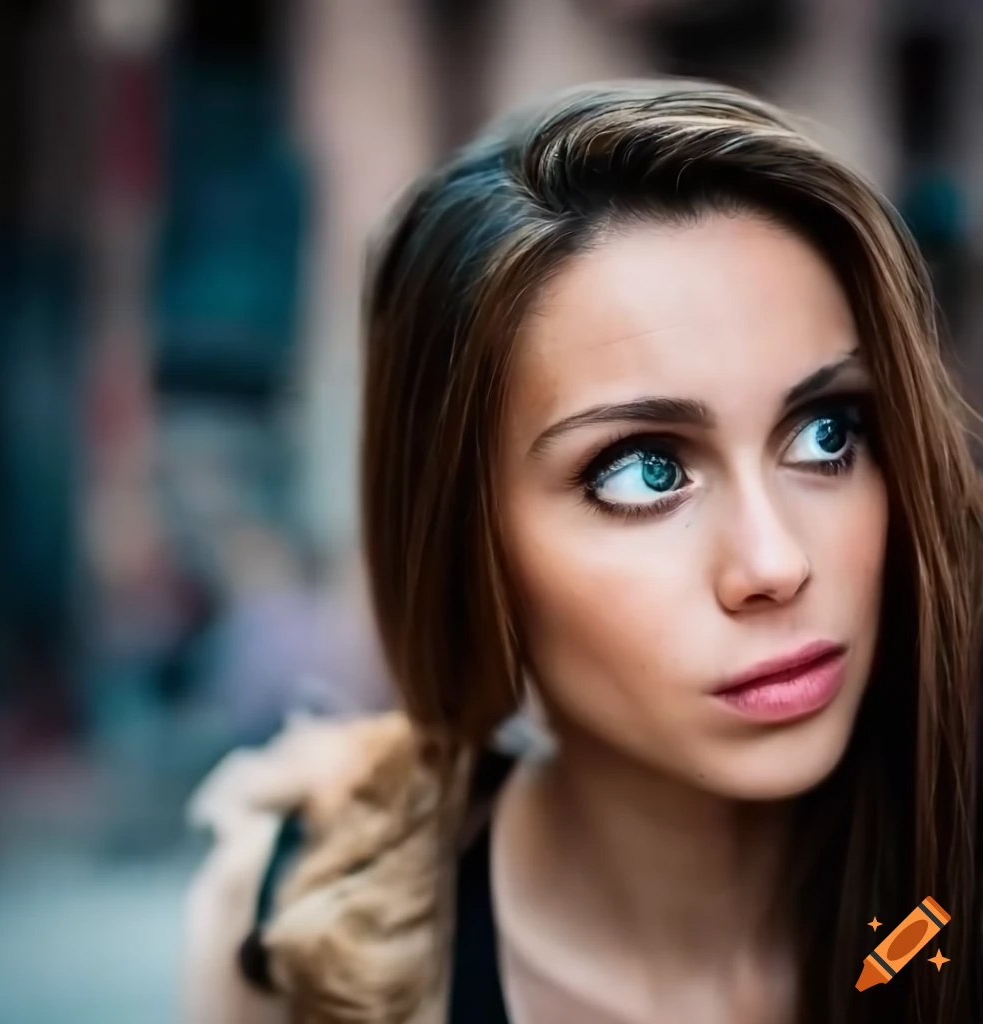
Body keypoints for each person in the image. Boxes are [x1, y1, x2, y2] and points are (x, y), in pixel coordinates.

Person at [182, 81, 983, 1024]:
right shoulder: (306, 940)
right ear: (468, 540)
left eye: (826, 435)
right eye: (645, 472)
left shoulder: (942, 912)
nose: (775, 564)